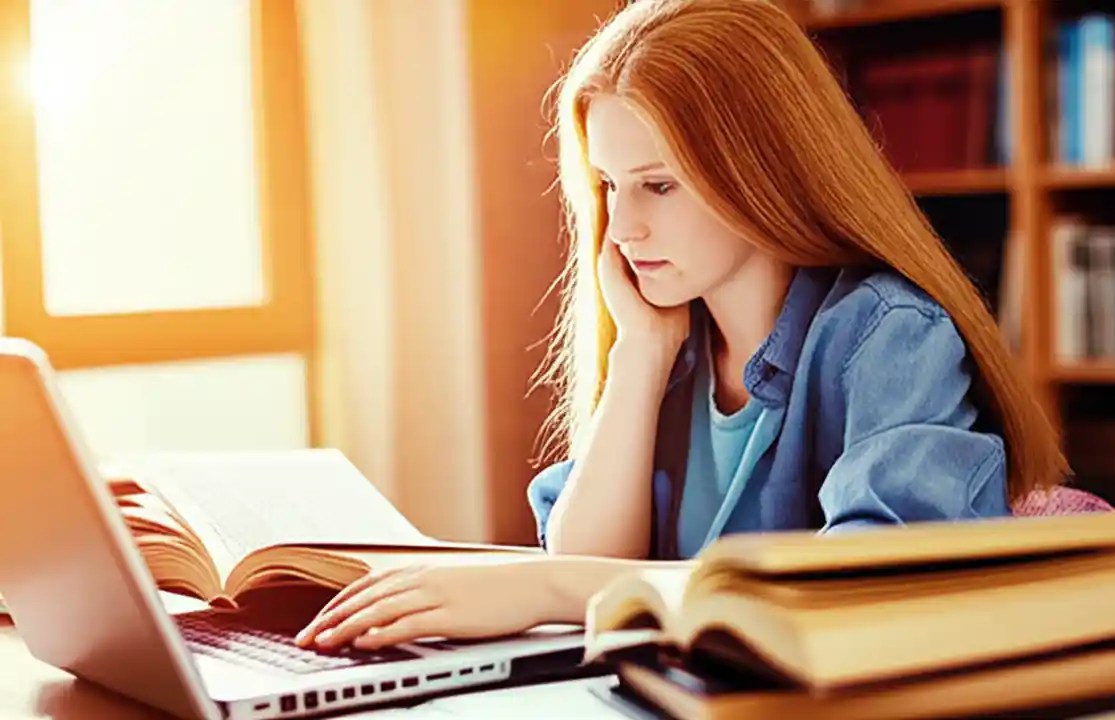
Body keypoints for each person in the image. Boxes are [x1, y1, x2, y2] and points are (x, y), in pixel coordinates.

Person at [295, 0, 1067, 652]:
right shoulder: (671, 340)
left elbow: (865, 589)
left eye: (658, 185)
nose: (622, 226)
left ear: (764, 169)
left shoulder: (886, 333)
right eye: (608, 184)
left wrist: (551, 589)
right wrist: (639, 355)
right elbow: (585, 560)